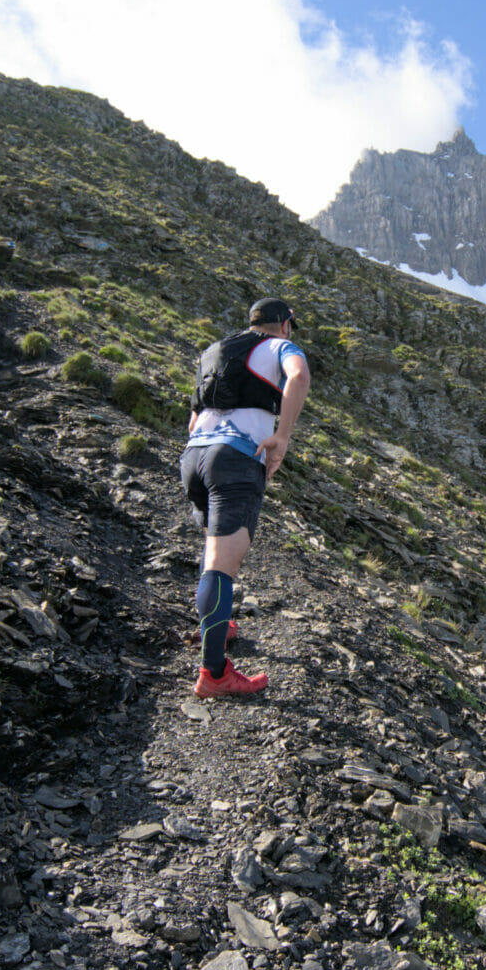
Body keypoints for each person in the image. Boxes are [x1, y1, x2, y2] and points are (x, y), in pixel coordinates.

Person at [180, 298, 310, 698]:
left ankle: (213, 629)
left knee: (213, 546)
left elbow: (193, 411)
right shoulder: (279, 347)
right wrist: (282, 437)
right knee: (222, 566)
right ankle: (214, 673)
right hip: (235, 458)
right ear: (285, 324)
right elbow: (299, 377)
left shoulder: (215, 350)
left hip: (194, 456)